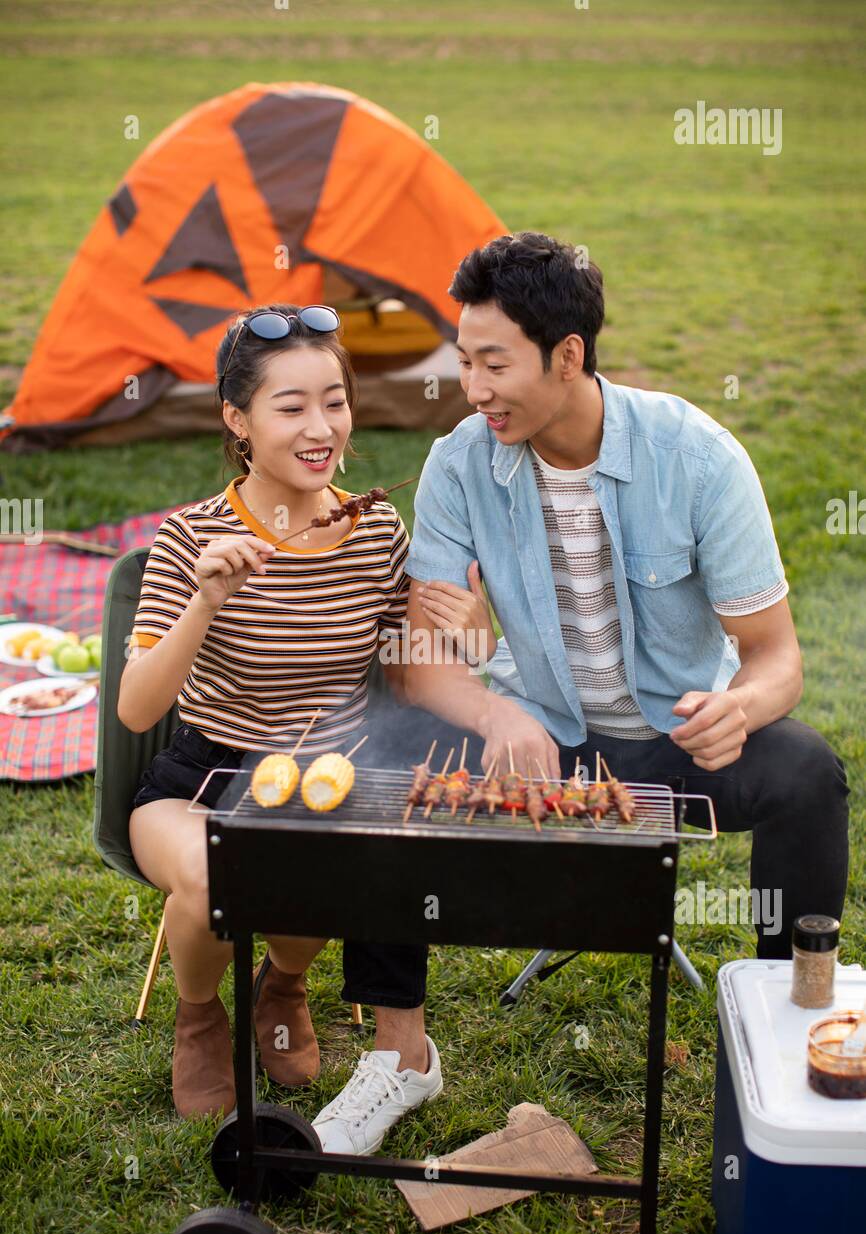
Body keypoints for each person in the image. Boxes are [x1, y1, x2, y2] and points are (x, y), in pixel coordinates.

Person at [403, 233, 849, 958]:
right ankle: (402, 1043)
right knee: (395, 746)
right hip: (538, 738)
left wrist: (738, 708)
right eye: (463, 363)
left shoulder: (697, 459)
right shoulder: (458, 465)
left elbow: (777, 657)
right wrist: (492, 714)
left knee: (805, 772)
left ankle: (789, 998)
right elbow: (420, 661)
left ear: (569, 356)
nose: (475, 388)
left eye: (495, 364)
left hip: (675, 740)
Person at [119, 304, 451, 1152]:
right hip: (203, 777)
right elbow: (137, 708)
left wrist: (455, 623)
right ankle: (200, 1020)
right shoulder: (192, 535)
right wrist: (207, 599)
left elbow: (411, 674)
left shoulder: (375, 529)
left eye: (334, 401)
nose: (322, 427)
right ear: (238, 421)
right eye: (291, 406)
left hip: (326, 777)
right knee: (217, 870)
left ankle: (284, 987)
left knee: (314, 859)